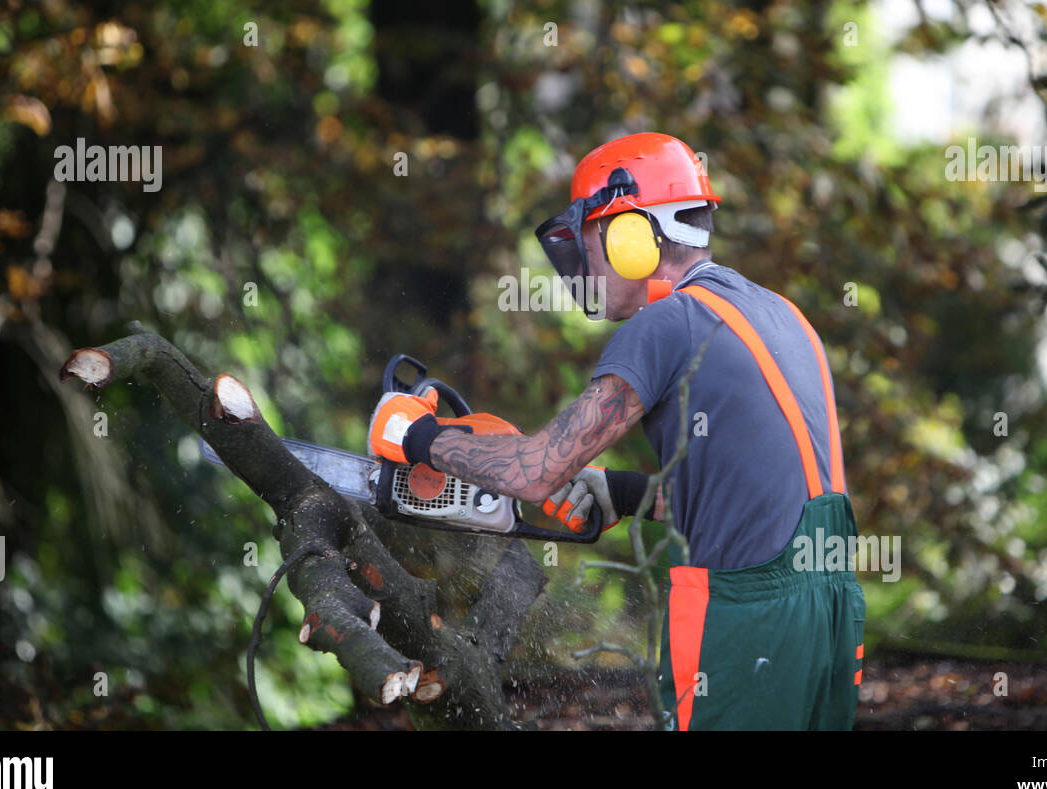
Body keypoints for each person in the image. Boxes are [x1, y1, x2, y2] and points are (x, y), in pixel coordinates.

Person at [369, 132, 865, 730]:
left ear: (632, 235)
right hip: (832, 607)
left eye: (590, 245)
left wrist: (417, 438)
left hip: (748, 614)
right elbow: (754, 493)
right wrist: (624, 494)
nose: (584, 268)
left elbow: (535, 473)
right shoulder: (778, 314)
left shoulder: (666, 324)